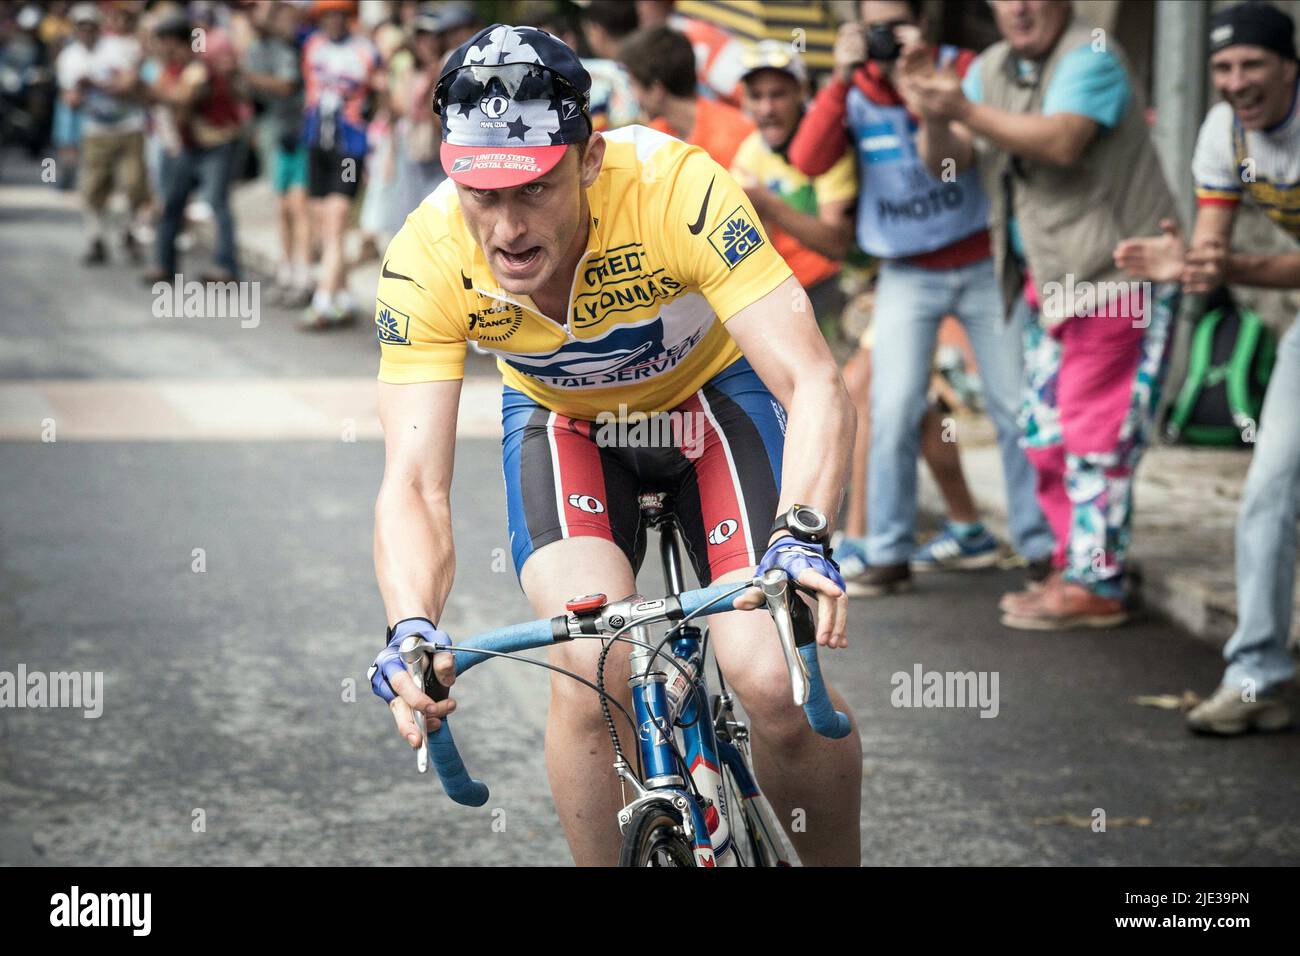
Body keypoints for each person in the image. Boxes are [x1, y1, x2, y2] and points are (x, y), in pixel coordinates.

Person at [367, 24, 860, 867]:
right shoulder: (425, 255)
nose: (508, 227)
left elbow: (814, 381)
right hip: (565, 426)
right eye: (481, 194)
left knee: (775, 682)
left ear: (589, 158)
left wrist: (803, 535)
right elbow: (414, 482)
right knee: (594, 669)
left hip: (710, 401)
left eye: (535, 188)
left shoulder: (677, 188)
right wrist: (411, 624)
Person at [902, 0, 1181, 629]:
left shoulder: (1094, 53)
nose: (1020, 7)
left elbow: (1062, 141)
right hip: (1048, 284)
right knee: (1045, 435)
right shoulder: (993, 66)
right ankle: (1071, 566)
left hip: (1119, 277)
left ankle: (1096, 581)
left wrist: (961, 106)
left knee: (1094, 437)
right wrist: (931, 108)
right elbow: (946, 163)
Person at [789, 0, 1052, 595]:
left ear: (923, 23)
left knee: (1013, 405)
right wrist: (836, 78)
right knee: (893, 406)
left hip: (981, 258)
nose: (886, 40)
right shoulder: (852, 89)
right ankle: (887, 552)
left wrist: (924, 87)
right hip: (905, 269)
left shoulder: (960, 68)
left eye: (895, 27)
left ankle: (1041, 550)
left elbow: (952, 164)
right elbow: (807, 160)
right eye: (874, 28)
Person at [1114, 2, 1299, 732]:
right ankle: (1257, 677)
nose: (1235, 80)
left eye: (1251, 64)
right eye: (1222, 67)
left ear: (1289, 66)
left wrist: (1232, 264)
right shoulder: (1223, 131)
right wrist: (1186, 266)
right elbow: (1215, 256)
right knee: (1269, 486)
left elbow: (1244, 263)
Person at [144, 11, 243, 285]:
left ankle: (226, 267)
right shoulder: (170, 71)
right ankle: (163, 265)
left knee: (216, 203)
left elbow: (184, 102)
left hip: (216, 144)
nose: (160, 49)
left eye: (163, 43)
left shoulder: (200, 68)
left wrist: (146, 91)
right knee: (171, 205)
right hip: (187, 147)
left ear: (176, 42)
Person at [299, 0, 379, 328]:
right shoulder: (312, 46)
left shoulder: (365, 51)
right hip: (317, 141)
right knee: (320, 222)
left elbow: (376, 90)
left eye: (339, 16)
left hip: (348, 146)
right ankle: (343, 294)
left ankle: (322, 300)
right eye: (327, 16)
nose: (333, 22)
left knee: (336, 222)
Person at [57, 2, 150, 266]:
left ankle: (128, 231)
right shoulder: (69, 57)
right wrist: (77, 93)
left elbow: (130, 83)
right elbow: (69, 98)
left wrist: (96, 84)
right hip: (96, 129)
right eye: (81, 27)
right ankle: (96, 238)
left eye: (90, 27)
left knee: (134, 184)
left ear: (98, 27)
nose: (85, 32)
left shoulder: (118, 48)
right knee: (93, 189)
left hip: (129, 125)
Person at [245, 0, 311, 306]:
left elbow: (286, 86)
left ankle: (303, 272)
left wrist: (245, 77)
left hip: (302, 131)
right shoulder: (256, 48)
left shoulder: (298, 42)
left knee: (298, 205)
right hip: (276, 131)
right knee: (282, 204)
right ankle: (287, 269)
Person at [619, 24, 755, 171]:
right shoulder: (655, 134)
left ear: (655, 89)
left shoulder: (733, 136)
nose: (632, 95)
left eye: (632, 84)